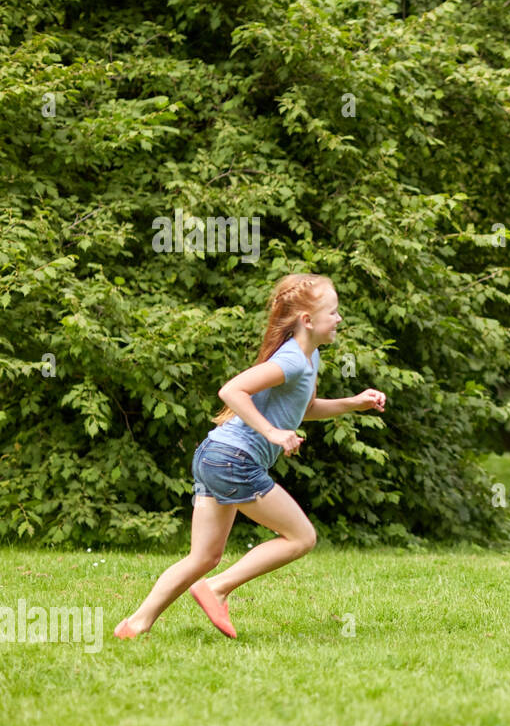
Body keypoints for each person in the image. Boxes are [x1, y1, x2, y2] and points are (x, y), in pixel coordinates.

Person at [114, 274, 386, 639]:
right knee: (301, 537)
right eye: (333, 312)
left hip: (214, 455)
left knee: (203, 557)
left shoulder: (310, 357)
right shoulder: (291, 359)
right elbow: (232, 390)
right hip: (233, 459)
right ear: (308, 320)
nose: (339, 319)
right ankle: (217, 588)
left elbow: (301, 409)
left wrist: (354, 404)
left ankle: (135, 625)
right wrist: (272, 433)